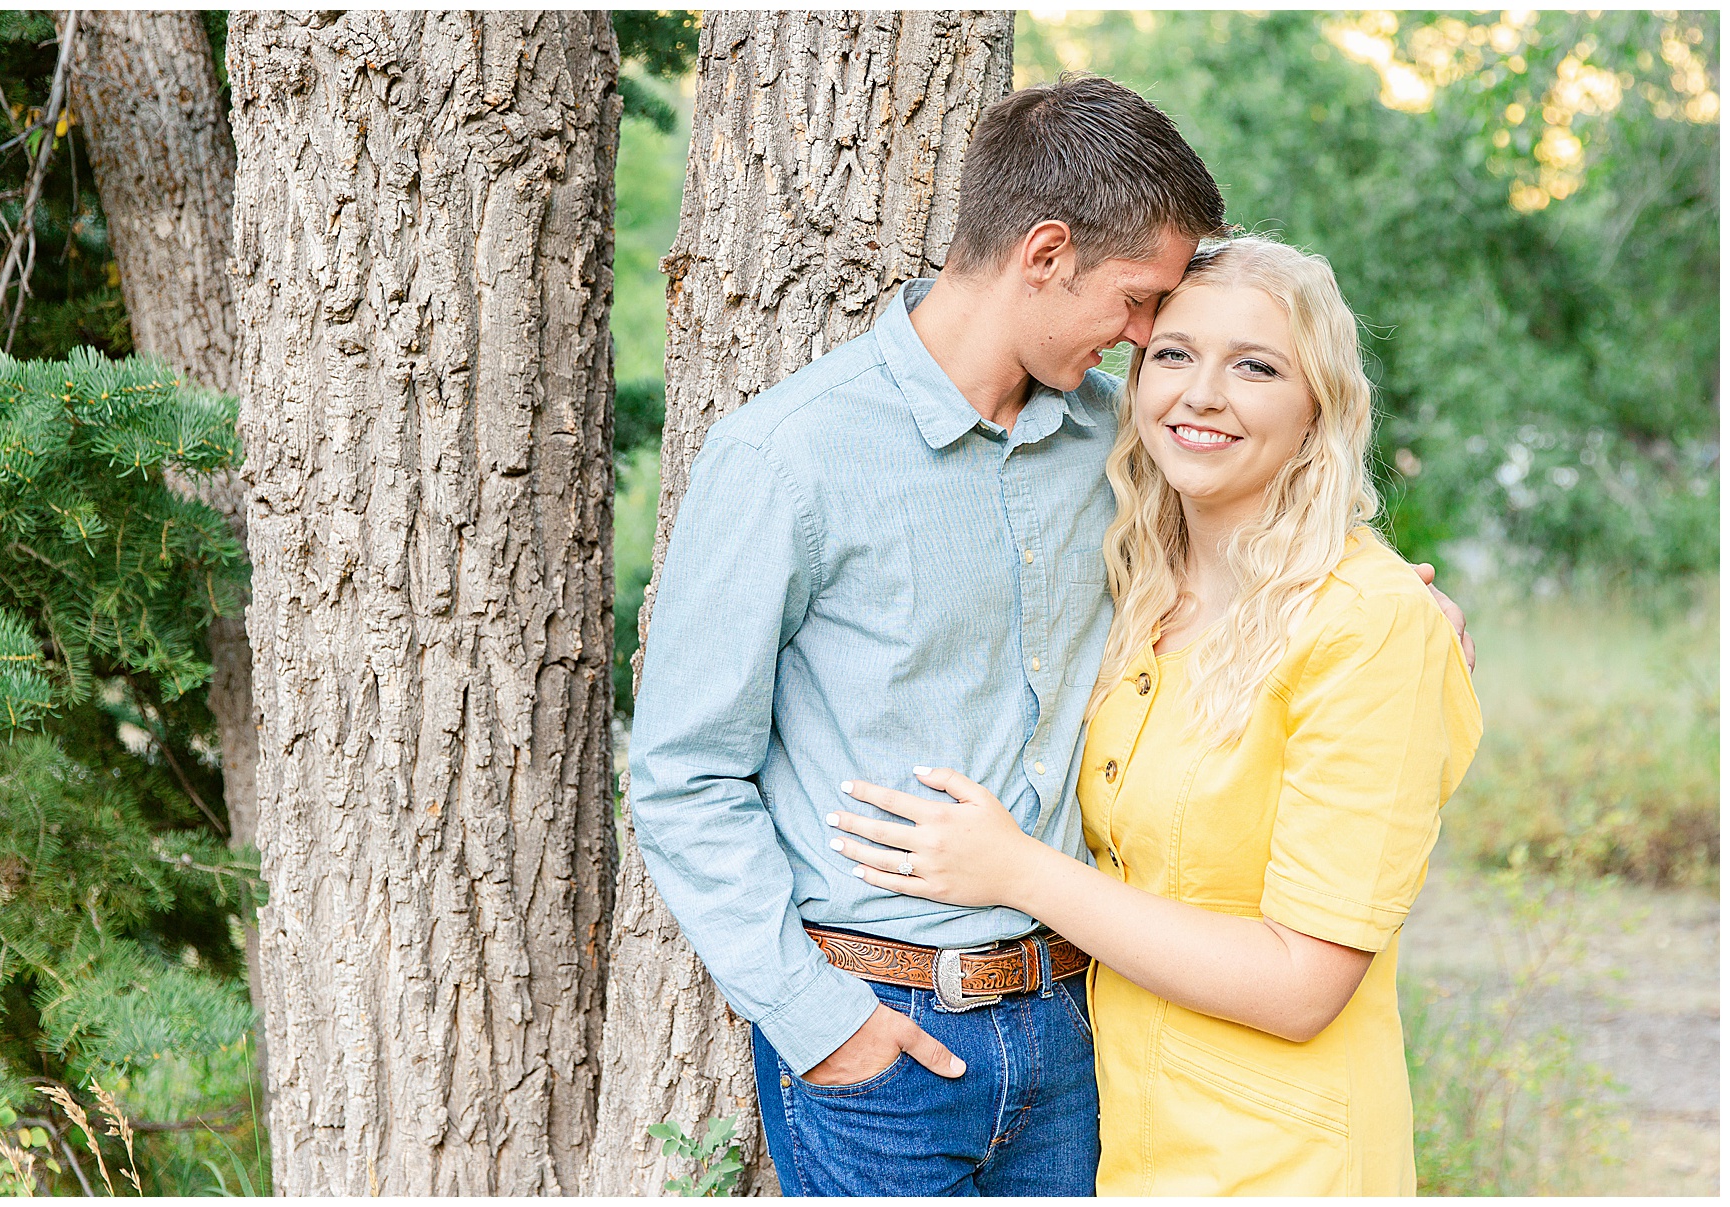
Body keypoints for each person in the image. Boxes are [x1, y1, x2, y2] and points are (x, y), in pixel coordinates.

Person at [631, 76, 1471, 1196]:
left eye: (1161, 329)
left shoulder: (1110, 453)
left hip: (1081, 1036)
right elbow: (684, 771)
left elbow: (1273, 536)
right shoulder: (788, 460)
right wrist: (817, 1020)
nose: (1146, 348)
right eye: (1139, 310)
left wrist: (1397, 603)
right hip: (886, 1035)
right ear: (1043, 254)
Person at [828, 236, 1484, 1195]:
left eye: (1256, 366)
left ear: (1319, 410)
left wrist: (1018, 871)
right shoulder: (1139, 591)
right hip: (1122, 1140)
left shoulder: (1367, 623)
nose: (1202, 394)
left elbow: (1303, 984)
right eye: (1173, 354)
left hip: (1279, 1162)